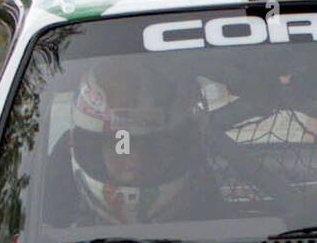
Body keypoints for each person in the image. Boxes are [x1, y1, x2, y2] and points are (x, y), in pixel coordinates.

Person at [52, 63, 211, 227]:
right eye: (121, 143)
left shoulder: (223, 229)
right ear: (92, 151)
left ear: (182, 149)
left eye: (152, 145)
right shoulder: (38, 235)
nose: (134, 161)